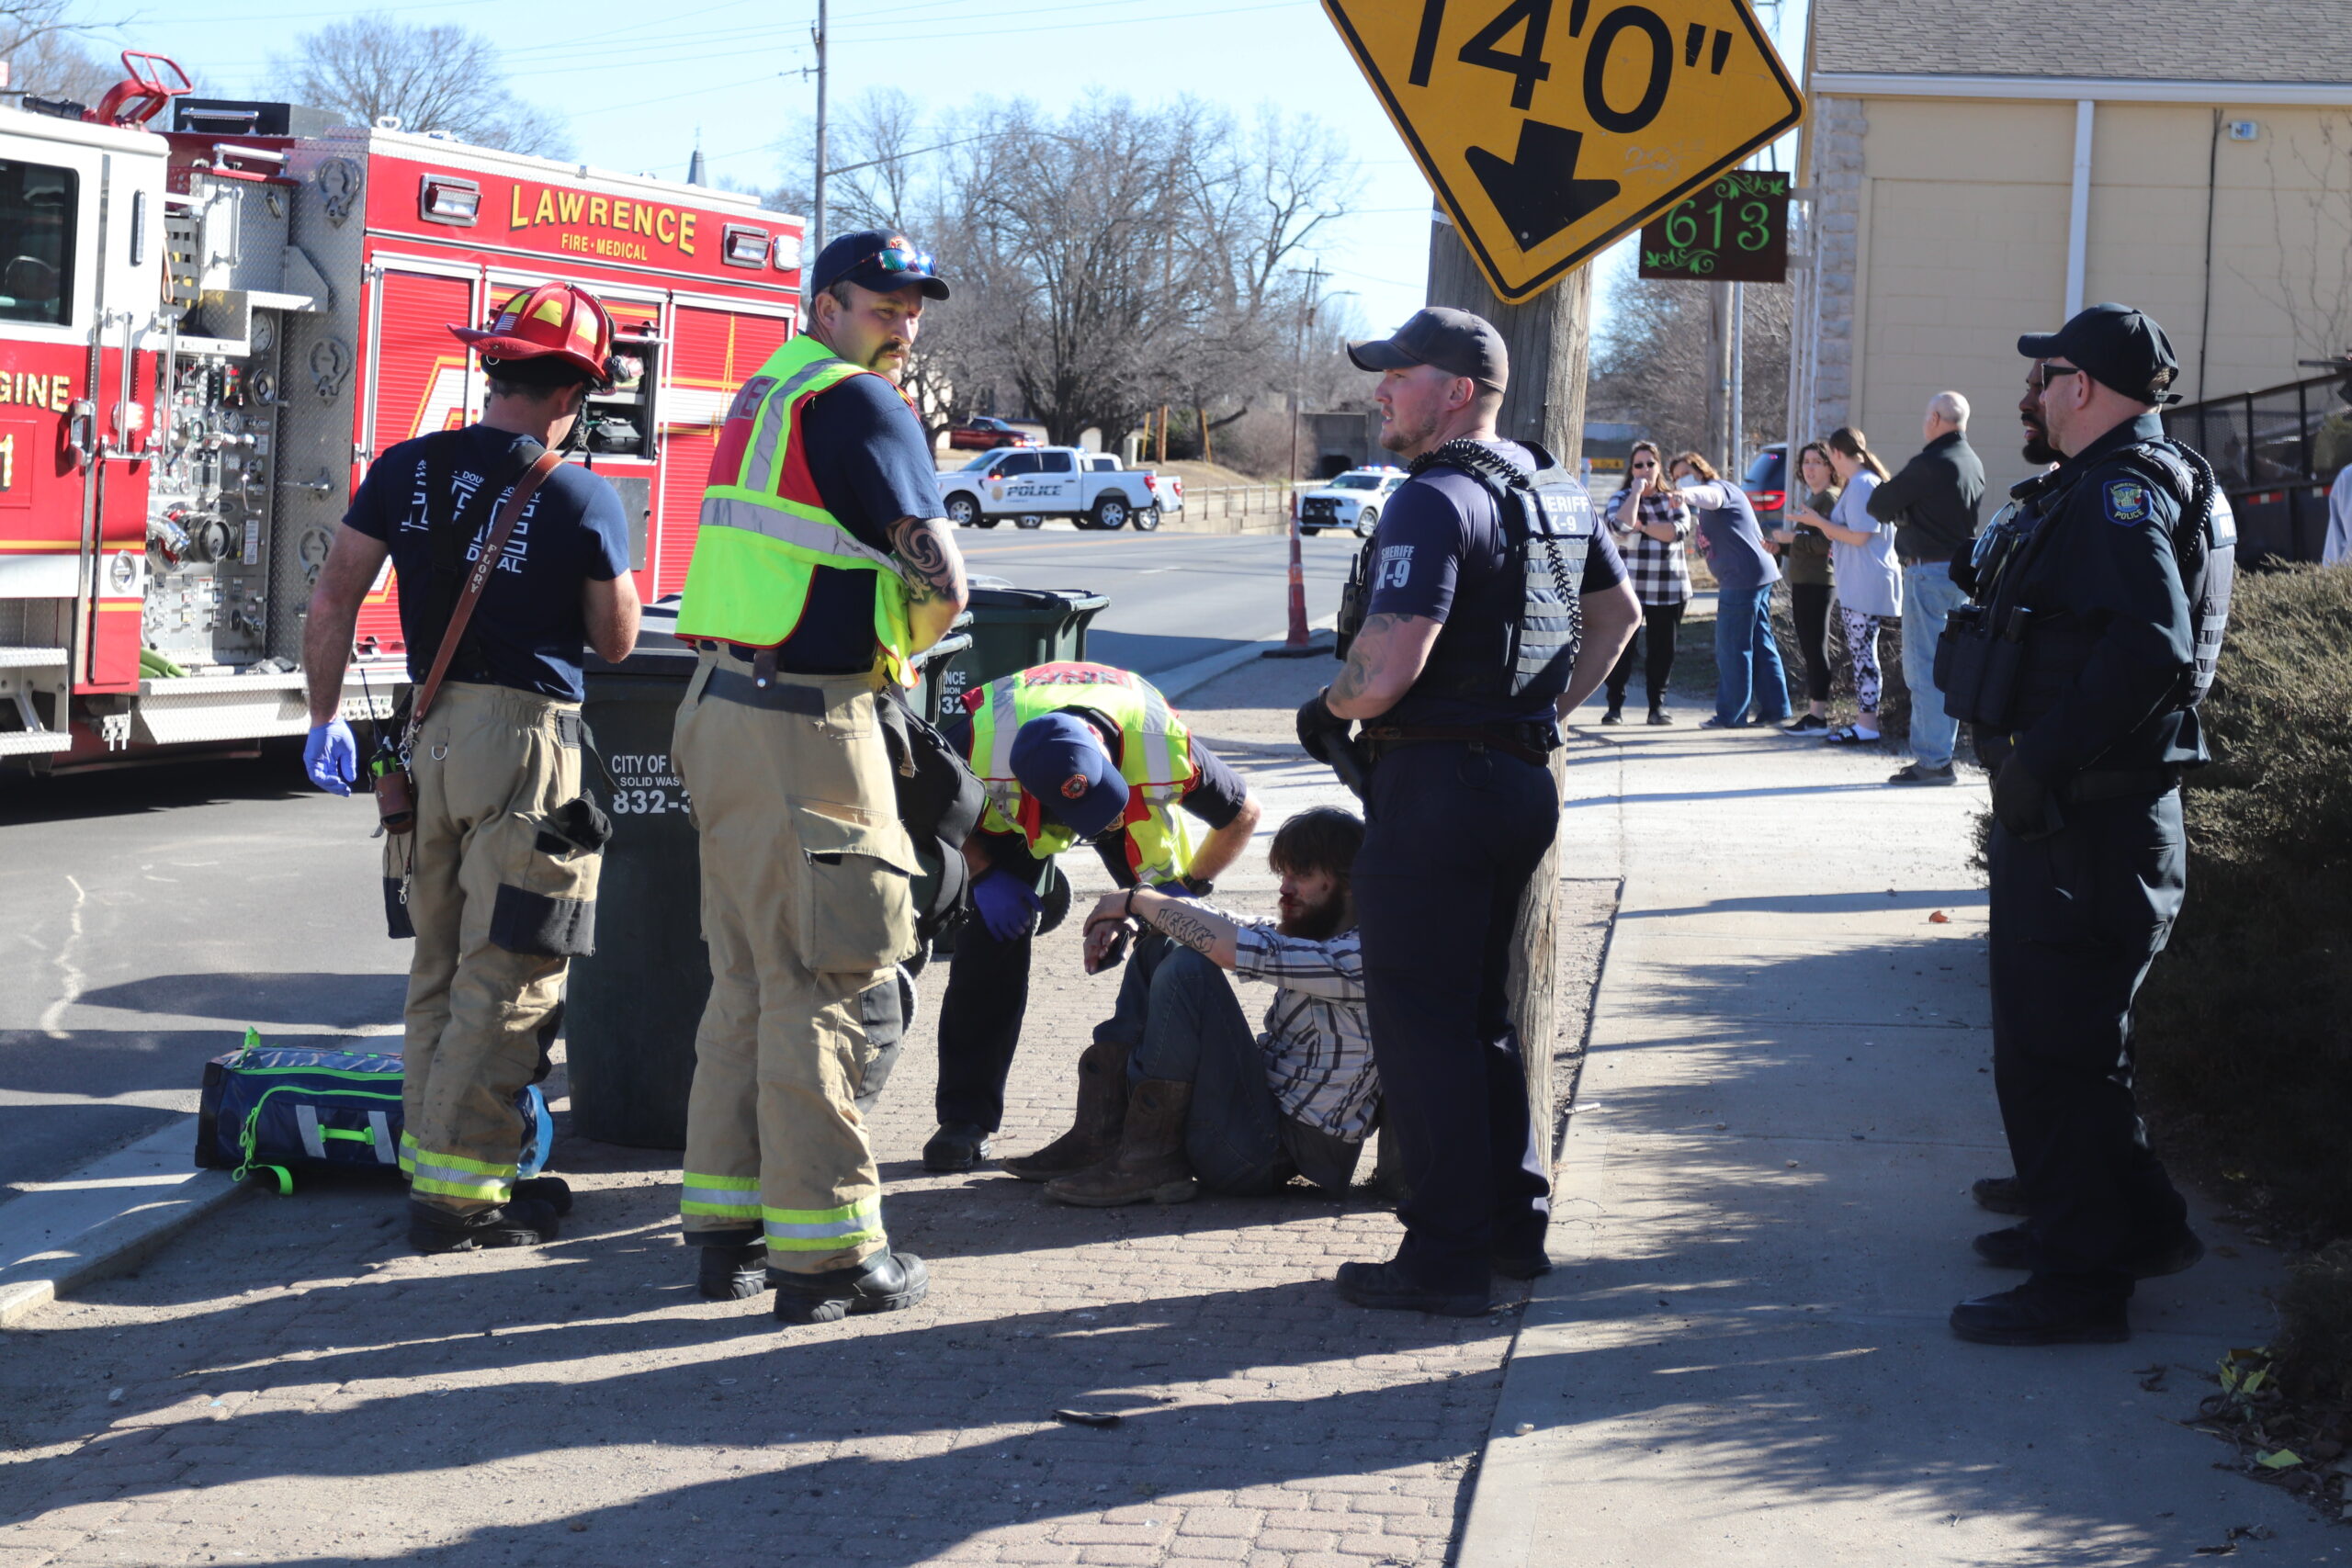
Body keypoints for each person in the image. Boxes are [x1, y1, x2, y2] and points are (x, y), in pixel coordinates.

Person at [1295, 306, 1639, 1315]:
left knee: (1423, 1025)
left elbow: (1389, 663)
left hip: (1437, 788)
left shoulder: (1432, 498)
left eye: (1395, 375)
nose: (1379, 393)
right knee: (1479, 1016)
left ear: (1453, 391)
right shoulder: (1555, 490)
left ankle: (1443, 1259)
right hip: (1514, 783)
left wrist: (1329, 709)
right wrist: (1534, 715)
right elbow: (1613, 618)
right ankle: (1507, 1225)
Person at [300, 279, 641, 1253]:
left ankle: (436, 1166)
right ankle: (460, 1198)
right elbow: (615, 642)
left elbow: (331, 602)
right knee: (517, 963)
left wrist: (324, 719)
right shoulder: (578, 492)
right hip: (529, 744)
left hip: (428, 734)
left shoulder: (405, 467)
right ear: (573, 392)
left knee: (439, 964)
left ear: (492, 366)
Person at [668, 231, 970, 1324]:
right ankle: (830, 1258)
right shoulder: (860, 404)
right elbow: (947, 585)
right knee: (832, 980)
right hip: (809, 718)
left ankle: (728, 1233)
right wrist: (909, 641)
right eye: (885, 300)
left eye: (915, 303)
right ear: (828, 301)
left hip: (720, 705)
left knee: (748, 977)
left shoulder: (770, 391)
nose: (905, 319)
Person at [1947, 303, 2233, 1346]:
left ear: (2085, 388)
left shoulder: (2119, 491)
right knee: (2063, 1047)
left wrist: (2041, 763)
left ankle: (2079, 1286)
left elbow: (2150, 649)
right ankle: (2133, 1225)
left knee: (2056, 1055)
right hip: (2088, 817)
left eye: (2047, 374)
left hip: (2090, 822)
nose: (2030, 391)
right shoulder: (2118, 481)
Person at [933, 661, 1262, 1176]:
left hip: (1125, 793)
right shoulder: (974, 740)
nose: (1084, 834)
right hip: (1007, 815)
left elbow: (1244, 814)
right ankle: (963, 1123)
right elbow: (915, 802)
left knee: (1171, 940)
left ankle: (1141, 1128)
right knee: (986, 949)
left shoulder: (1160, 742)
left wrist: (1181, 893)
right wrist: (984, 873)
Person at [1022, 807, 1375, 1206]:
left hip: (1267, 1155)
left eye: (1303, 876)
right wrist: (1139, 915)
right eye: (1284, 875)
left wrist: (1138, 900)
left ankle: (1151, 1162)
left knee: (1189, 969)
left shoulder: (1363, 956)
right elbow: (1236, 925)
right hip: (1254, 1117)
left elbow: (1233, 948)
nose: (1285, 889)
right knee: (1163, 945)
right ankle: (1101, 1136)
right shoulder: (1321, 936)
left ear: (1349, 884)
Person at [1869, 391, 1986, 784]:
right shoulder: (1972, 462)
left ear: (1936, 418)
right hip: (1959, 575)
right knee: (1947, 667)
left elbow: (1879, 503)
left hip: (1927, 574)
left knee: (1926, 671)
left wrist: (1904, 512)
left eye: (1925, 416)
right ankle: (1939, 755)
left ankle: (1934, 762)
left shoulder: (1930, 462)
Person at [1668, 452, 1790, 730]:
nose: (1680, 480)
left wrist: (1685, 493)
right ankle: (1775, 709)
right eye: (1675, 477)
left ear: (1701, 469)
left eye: (1685, 472)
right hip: (1755, 574)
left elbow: (1710, 496)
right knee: (1760, 642)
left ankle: (1731, 715)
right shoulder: (1722, 491)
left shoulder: (1718, 489)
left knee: (1733, 648)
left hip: (1742, 578)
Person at [1793, 428, 1900, 745]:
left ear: (1838, 454)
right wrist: (1821, 524)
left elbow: (1859, 535)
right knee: (1861, 652)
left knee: (1864, 654)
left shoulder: (1864, 484)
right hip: (1859, 581)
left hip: (1866, 582)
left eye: (1828, 455)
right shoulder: (1859, 483)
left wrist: (1818, 523)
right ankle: (1865, 722)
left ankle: (1867, 725)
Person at [1600, 440, 1692, 726]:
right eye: (1638, 465)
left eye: (1650, 464)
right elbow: (1618, 527)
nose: (1644, 469)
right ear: (1631, 468)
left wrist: (1643, 527)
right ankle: (1614, 706)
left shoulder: (1673, 499)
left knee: (1662, 651)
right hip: (1629, 589)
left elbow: (1676, 531)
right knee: (1621, 649)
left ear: (1659, 467)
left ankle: (1657, 707)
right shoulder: (1621, 498)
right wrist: (1636, 494)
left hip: (1668, 587)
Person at [1771, 441, 1838, 732]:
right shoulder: (1813, 499)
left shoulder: (1830, 499)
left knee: (1815, 647)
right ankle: (1814, 712)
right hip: (1803, 581)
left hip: (1819, 583)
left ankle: (1818, 715)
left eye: (1817, 462)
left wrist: (1791, 540)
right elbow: (1804, 547)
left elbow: (1828, 543)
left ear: (1830, 468)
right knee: (1809, 646)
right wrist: (1778, 548)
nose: (1809, 468)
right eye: (1805, 462)